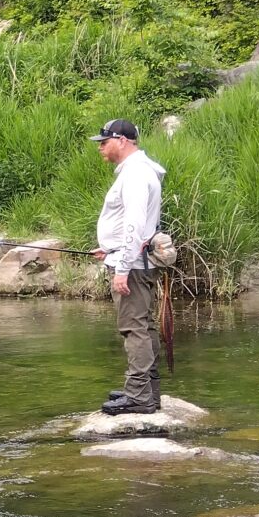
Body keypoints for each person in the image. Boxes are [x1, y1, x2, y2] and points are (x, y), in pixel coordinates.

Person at [89, 119, 166, 415]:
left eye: (104, 142)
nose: (100, 148)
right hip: (133, 258)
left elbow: (135, 223)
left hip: (132, 265)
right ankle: (147, 391)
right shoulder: (140, 171)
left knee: (134, 329)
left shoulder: (134, 175)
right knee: (144, 326)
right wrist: (110, 247)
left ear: (122, 140)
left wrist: (121, 267)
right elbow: (136, 224)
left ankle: (139, 398)